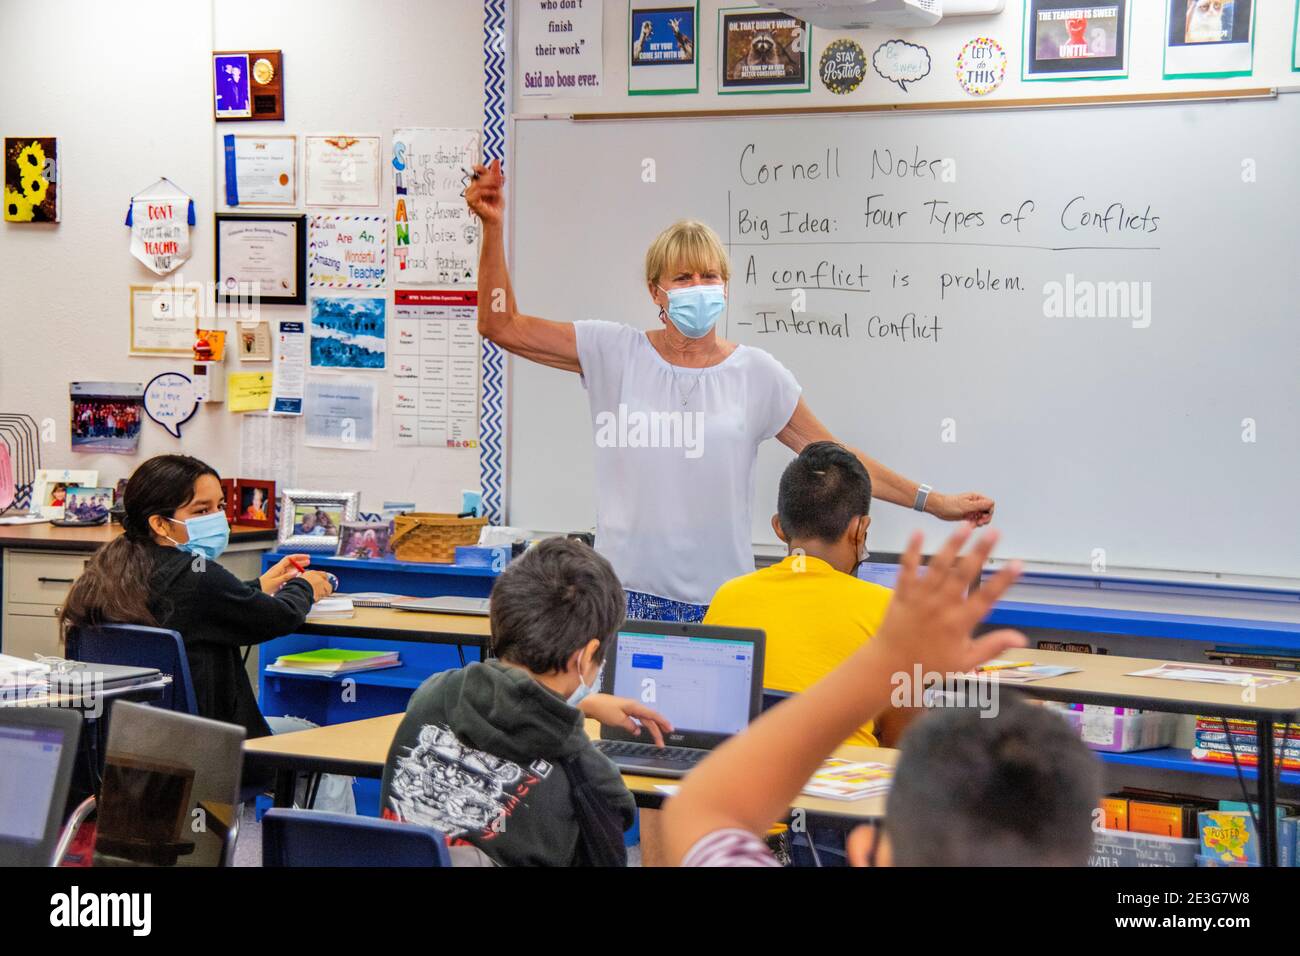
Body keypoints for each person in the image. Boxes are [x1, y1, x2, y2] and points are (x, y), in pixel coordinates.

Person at [465, 160, 996, 623]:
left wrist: (935, 502)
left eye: (710, 276)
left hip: (723, 600)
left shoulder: (756, 374)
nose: (699, 287)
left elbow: (839, 462)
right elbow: (501, 324)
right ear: (656, 291)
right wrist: (493, 227)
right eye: (683, 278)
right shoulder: (614, 351)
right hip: (624, 597)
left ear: (726, 286)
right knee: (623, 715)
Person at [663, 526, 1101, 867]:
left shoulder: (731, 593)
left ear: (867, 851)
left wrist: (884, 663)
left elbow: (701, 807)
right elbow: (898, 734)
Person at [380, 537, 673, 866]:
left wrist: (581, 703)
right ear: (587, 655)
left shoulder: (434, 694)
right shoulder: (591, 779)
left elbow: (511, 703)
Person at [59, 454, 335, 741]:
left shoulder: (110, 564)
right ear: (160, 524)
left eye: (220, 506)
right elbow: (278, 617)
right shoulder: (196, 575)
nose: (217, 518)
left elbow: (199, 604)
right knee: (313, 734)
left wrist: (257, 586)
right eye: (202, 510)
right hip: (207, 746)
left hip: (125, 743)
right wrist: (305, 587)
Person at [705, 441, 903, 747]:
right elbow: (902, 738)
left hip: (742, 768)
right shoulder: (890, 610)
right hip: (841, 774)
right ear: (860, 530)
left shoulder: (729, 595)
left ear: (779, 527)